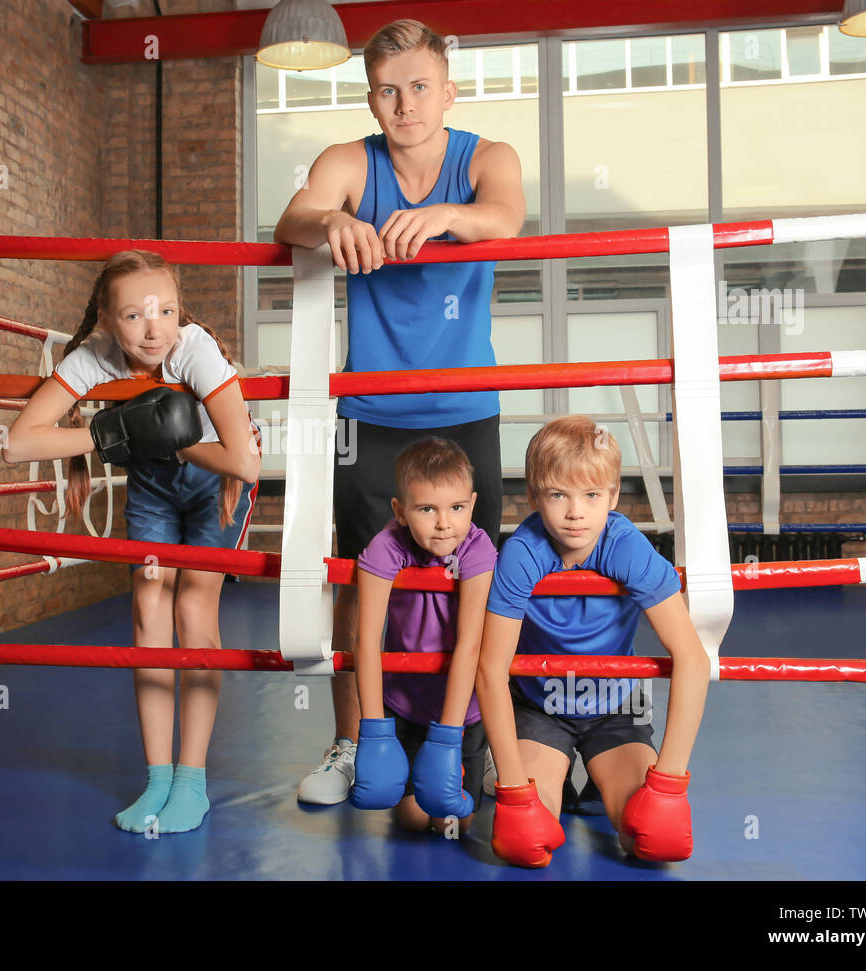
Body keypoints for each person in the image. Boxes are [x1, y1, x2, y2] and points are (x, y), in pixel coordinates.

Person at [273, 18, 525, 804]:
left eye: (420, 86)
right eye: (388, 89)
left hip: (463, 407)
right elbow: (292, 219)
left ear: (447, 91)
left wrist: (449, 216)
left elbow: (508, 216)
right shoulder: (352, 160)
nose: (405, 103)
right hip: (371, 409)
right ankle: (352, 742)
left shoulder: (487, 157)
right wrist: (335, 222)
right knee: (361, 577)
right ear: (372, 97)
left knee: (473, 577)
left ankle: (474, 740)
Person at [3, 250, 261, 834]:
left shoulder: (194, 349)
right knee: (148, 610)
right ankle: (158, 779)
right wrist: (108, 433)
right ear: (106, 319)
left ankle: (192, 782)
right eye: (135, 316)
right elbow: (18, 443)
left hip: (213, 481)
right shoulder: (94, 357)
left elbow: (243, 460)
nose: (154, 330)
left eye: (166, 310)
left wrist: (173, 437)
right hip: (150, 484)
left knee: (194, 612)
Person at [475, 416, 710, 867]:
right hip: (540, 708)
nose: (575, 512)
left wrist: (668, 784)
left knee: (653, 840)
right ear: (533, 497)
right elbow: (490, 669)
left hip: (614, 709)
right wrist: (513, 789)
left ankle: (599, 784)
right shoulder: (522, 554)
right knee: (523, 843)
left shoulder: (626, 547)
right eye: (557, 495)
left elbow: (692, 658)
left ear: (614, 496)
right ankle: (555, 778)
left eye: (591, 495)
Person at [348, 439, 496, 835]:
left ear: (473, 504)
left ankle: (482, 759)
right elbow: (366, 641)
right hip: (405, 704)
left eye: (457, 508)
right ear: (400, 511)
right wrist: (374, 729)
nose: (444, 523)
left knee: (455, 824)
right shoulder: (386, 546)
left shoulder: (478, 549)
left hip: (463, 711)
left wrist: (448, 739)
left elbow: (471, 644)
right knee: (412, 820)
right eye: (427, 509)